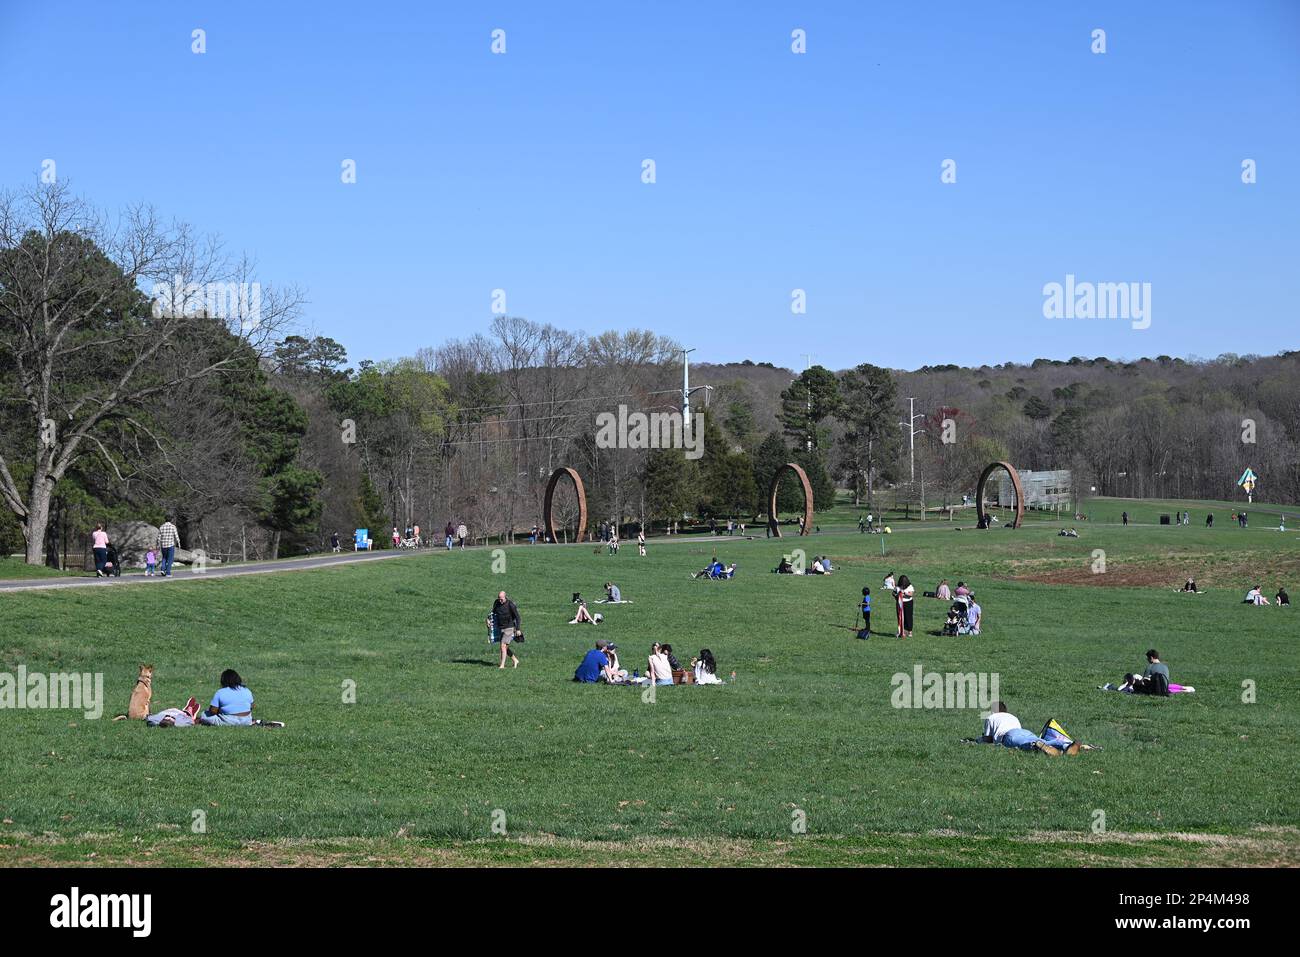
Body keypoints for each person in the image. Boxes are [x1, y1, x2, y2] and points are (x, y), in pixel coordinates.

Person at [980, 702, 1073, 755]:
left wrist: (977, 741)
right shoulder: (1013, 717)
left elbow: (987, 740)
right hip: (1024, 732)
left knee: (1026, 744)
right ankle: (1066, 745)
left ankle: (1036, 745)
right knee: (1040, 740)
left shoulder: (991, 717)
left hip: (1009, 735)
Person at [491, 591, 522, 669]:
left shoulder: (510, 604)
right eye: (499, 598)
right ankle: (515, 660)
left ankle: (502, 665)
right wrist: (488, 620)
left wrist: (518, 629)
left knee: (502, 646)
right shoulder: (497, 603)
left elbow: (518, 617)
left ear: (505, 597)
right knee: (505, 648)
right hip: (501, 628)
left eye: (501, 599)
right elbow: (493, 612)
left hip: (509, 627)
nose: (500, 600)